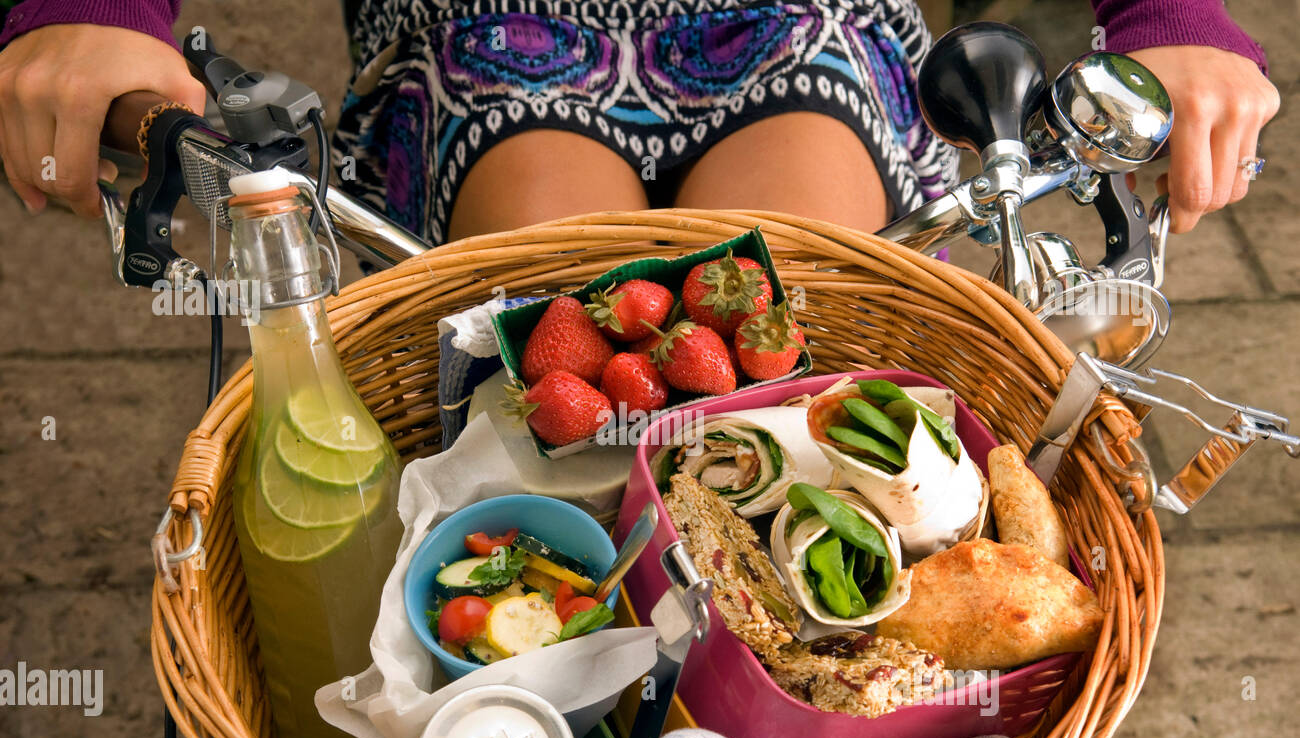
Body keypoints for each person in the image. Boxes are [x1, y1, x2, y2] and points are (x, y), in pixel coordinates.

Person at [0, 0, 1279, 244]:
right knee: (534, 342)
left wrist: (1164, 5)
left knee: (799, 325)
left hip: (801, 11)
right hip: (486, 23)